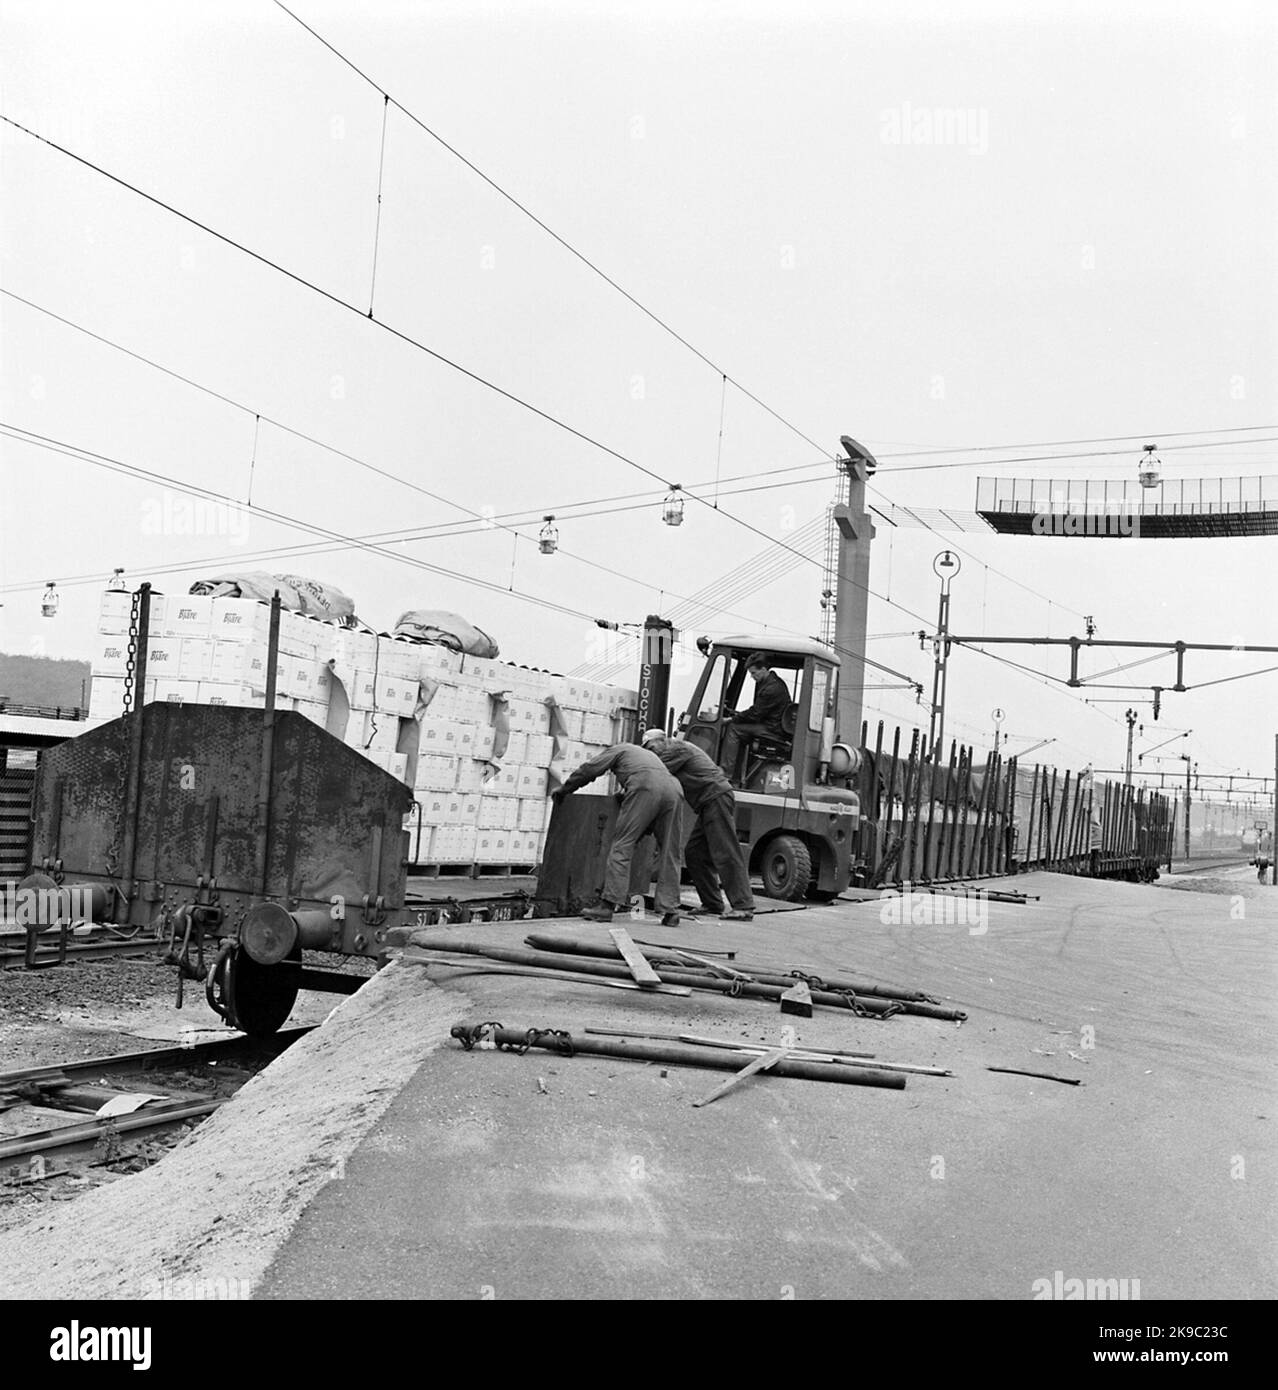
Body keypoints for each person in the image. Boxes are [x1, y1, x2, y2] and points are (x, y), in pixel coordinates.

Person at [551, 741, 684, 925]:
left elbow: (590, 770)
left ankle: (606, 906)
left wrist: (565, 789)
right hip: (674, 790)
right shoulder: (648, 758)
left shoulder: (618, 749)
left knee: (622, 846)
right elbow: (651, 782)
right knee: (670, 852)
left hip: (646, 787)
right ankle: (671, 911)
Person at [642, 729, 755, 921]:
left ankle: (743, 905)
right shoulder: (673, 749)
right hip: (708, 802)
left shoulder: (676, 749)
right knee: (695, 853)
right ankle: (712, 903)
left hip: (715, 797)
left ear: (662, 741)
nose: (651, 752)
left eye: (651, 747)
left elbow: (655, 774)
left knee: (725, 851)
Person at [718, 652, 792, 780]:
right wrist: (737, 714)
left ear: (763, 669)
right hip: (770, 723)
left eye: (753, 673)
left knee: (734, 728)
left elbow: (755, 713)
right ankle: (735, 774)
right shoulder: (770, 682)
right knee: (739, 723)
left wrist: (730, 719)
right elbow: (758, 710)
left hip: (772, 729)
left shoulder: (771, 688)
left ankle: (725, 774)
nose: (752, 677)